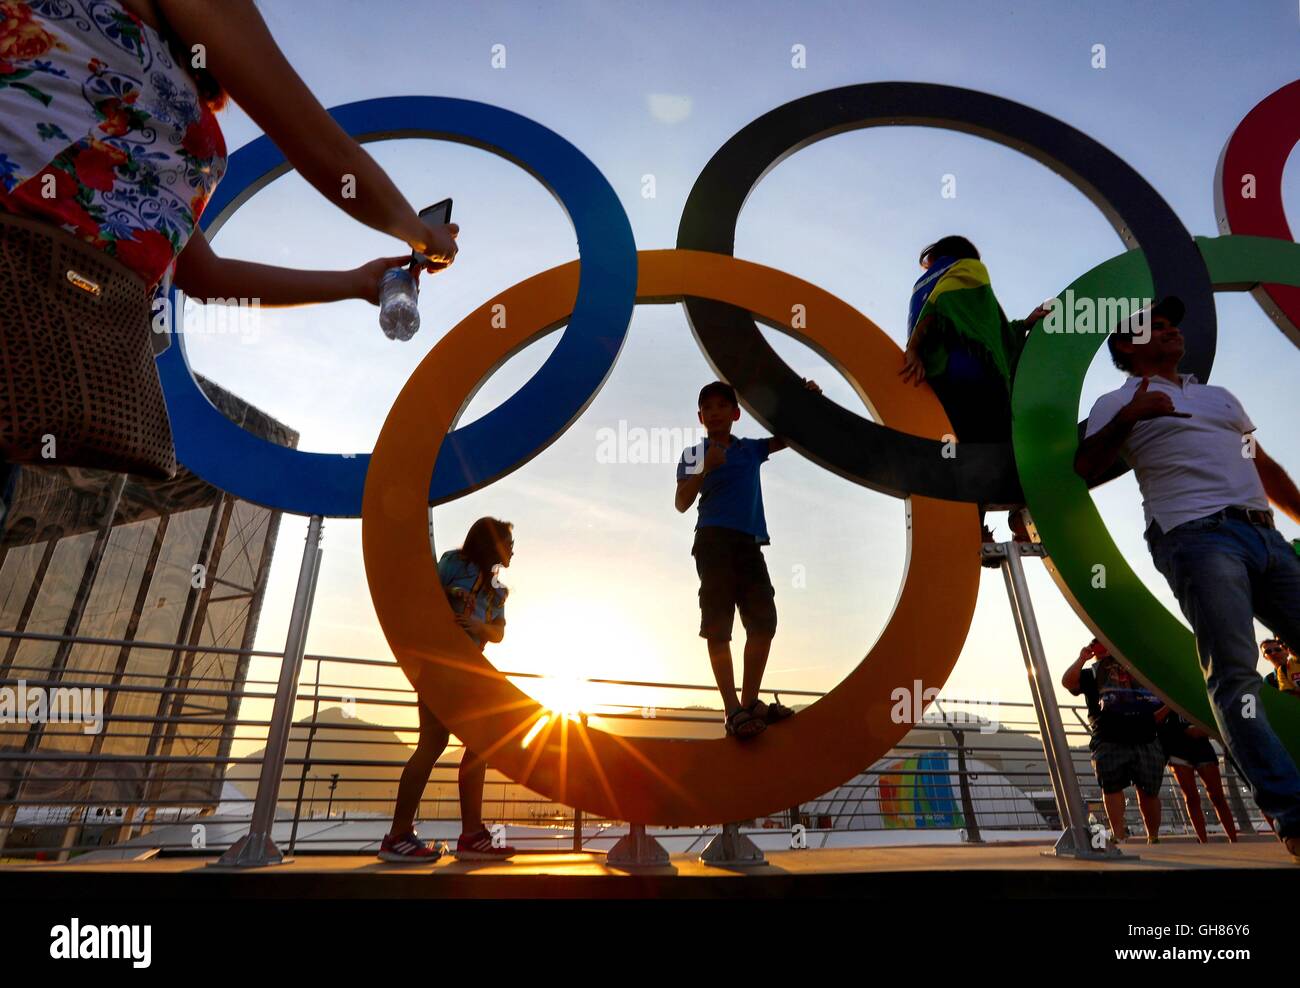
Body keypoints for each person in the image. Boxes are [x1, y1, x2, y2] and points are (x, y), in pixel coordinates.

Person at [1, 0, 459, 468]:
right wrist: (424, 235)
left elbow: (205, 275)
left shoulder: (125, 115)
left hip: (31, 332)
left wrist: (357, 283)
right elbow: (319, 145)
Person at [1074, 295, 1300, 864]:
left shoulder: (1219, 396)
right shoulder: (1115, 401)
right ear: (1126, 347)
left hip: (1266, 535)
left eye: (1174, 321)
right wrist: (1128, 419)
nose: (1171, 328)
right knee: (1234, 676)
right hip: (1196, 536)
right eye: (1155, 325)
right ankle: (1293, 814)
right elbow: (1085, 468)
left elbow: (1262, 463)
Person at [674, 379, 818, 739]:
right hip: (712, 542)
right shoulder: (694, 453)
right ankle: (731, 710)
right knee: (718, 626)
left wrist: (802, 401)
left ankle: (751, 702)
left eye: (722, 406)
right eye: (708, 408)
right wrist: (706, 466)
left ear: (736, 414)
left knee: (763, 622)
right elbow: (680, 502)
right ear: (700, 416)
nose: (715, 412)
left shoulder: (751, 449)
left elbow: (788, 438)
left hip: (749, 544)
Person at [897, 236, 1048, 553]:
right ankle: (1020, 519)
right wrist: (913, 347)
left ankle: (973, 531)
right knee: (1011, 448)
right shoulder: (970, 269)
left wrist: (913, 349)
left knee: (968, 458)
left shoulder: (921, 284)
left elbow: (983, 325)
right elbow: (946, 308)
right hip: (974, 377)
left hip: (935, 386)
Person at [379, 517, 517, 862]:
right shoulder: (453, 564)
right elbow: (423, 597)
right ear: (491, 544)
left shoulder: (497, 591)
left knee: (478, 744)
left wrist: (476, 625)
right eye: (508, 543)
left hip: (471, 672)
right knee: (434, 742)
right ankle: (400, 834)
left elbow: (498, 634)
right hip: (440, 667)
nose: (513, 550)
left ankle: (469, 835)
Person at [1062, 640, 1166, 843]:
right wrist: (1082, 658)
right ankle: (1118, 836)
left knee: (1149, 790)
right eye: (1095, 642)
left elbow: (1163, 694)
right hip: (1108, 735)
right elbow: (1068, 682)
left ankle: (1153, 837)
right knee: (1111, 786)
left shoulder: (1137, 669)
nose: (1098, 645)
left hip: (1144, 734)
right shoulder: (1092, 673)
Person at [1154, 704, 1238, 843]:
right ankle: (1203, 840)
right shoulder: (1162, 696)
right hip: (1177, 748)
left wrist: (1206, 730)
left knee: (1217, 795)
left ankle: (1233, 839)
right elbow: (1156, 721)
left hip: (1201, 746)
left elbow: (1212, 716)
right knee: (1191, 797)